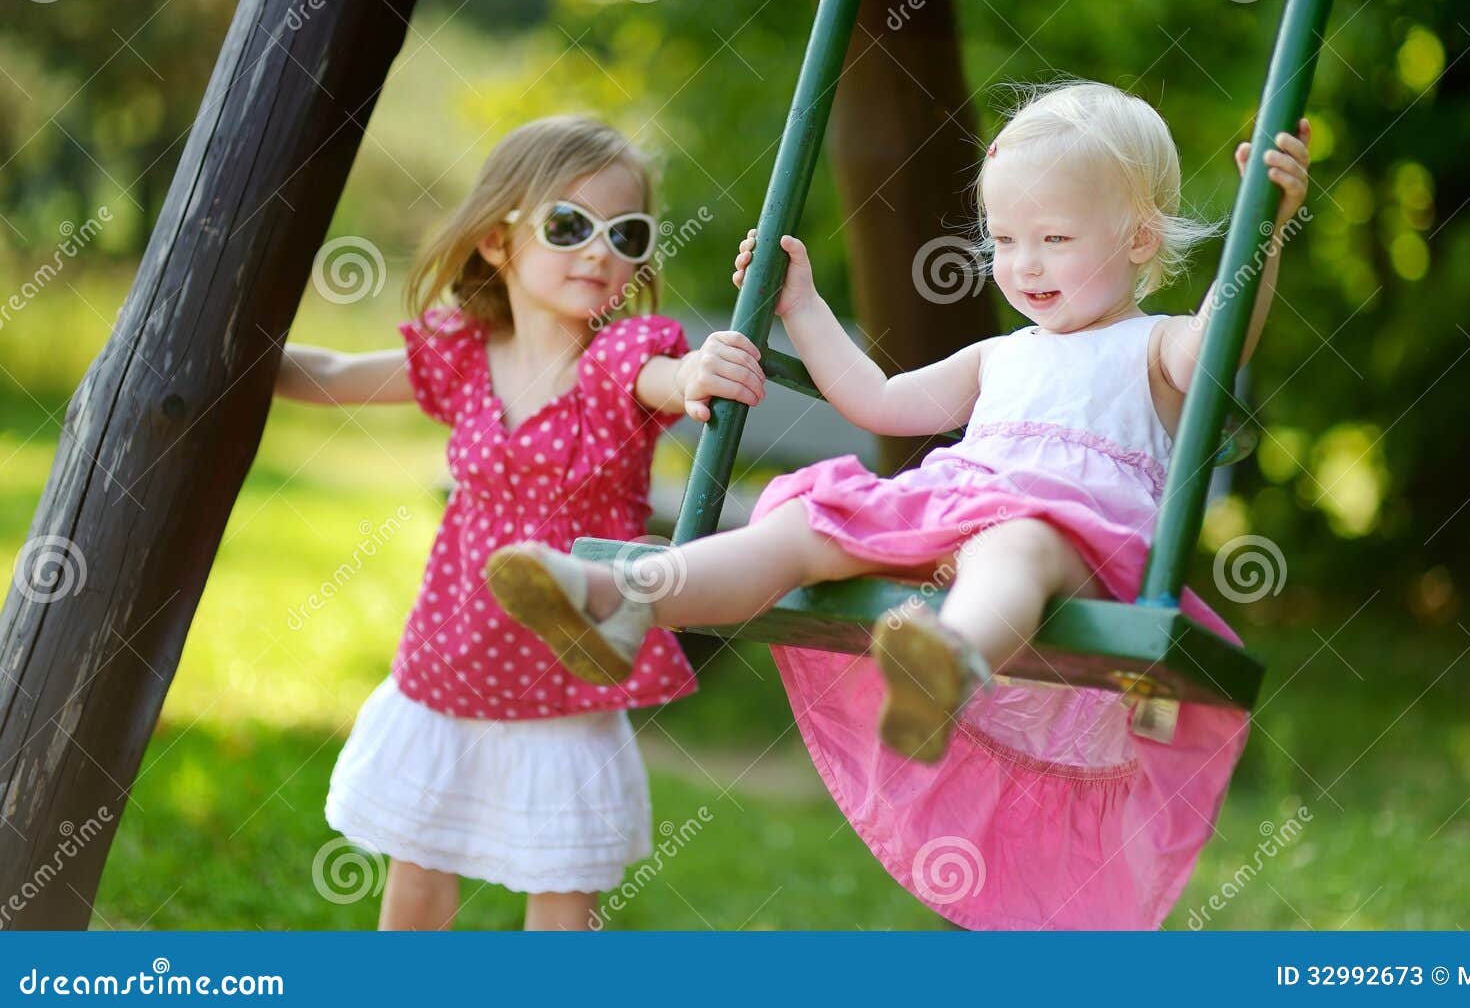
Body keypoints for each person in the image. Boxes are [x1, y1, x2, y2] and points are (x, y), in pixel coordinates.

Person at [484, 82, 1310, 928]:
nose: (1024, 264)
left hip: (1076, 549)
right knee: (805, 522)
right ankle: (626, 602)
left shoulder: (1158, 345)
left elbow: (1225, 338)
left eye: (1055, 239)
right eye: (1006, 239)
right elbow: (878, 399)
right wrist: (799, 307)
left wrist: (1265, 230)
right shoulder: (1000, 353)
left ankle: (946, 663)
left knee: (1014, 543)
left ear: (1138, 238)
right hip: (950, 516)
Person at [274, 116, 763, 930]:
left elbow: (670, 381)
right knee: (419, 858)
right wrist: (223, 354)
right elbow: (330, 375)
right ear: (500, 242)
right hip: (452, 653)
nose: (600, 250)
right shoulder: (466, 351)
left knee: (563, 876)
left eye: (626, 232)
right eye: (569, 226)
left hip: (565, 670)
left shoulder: (617, 358)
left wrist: (700, 370)